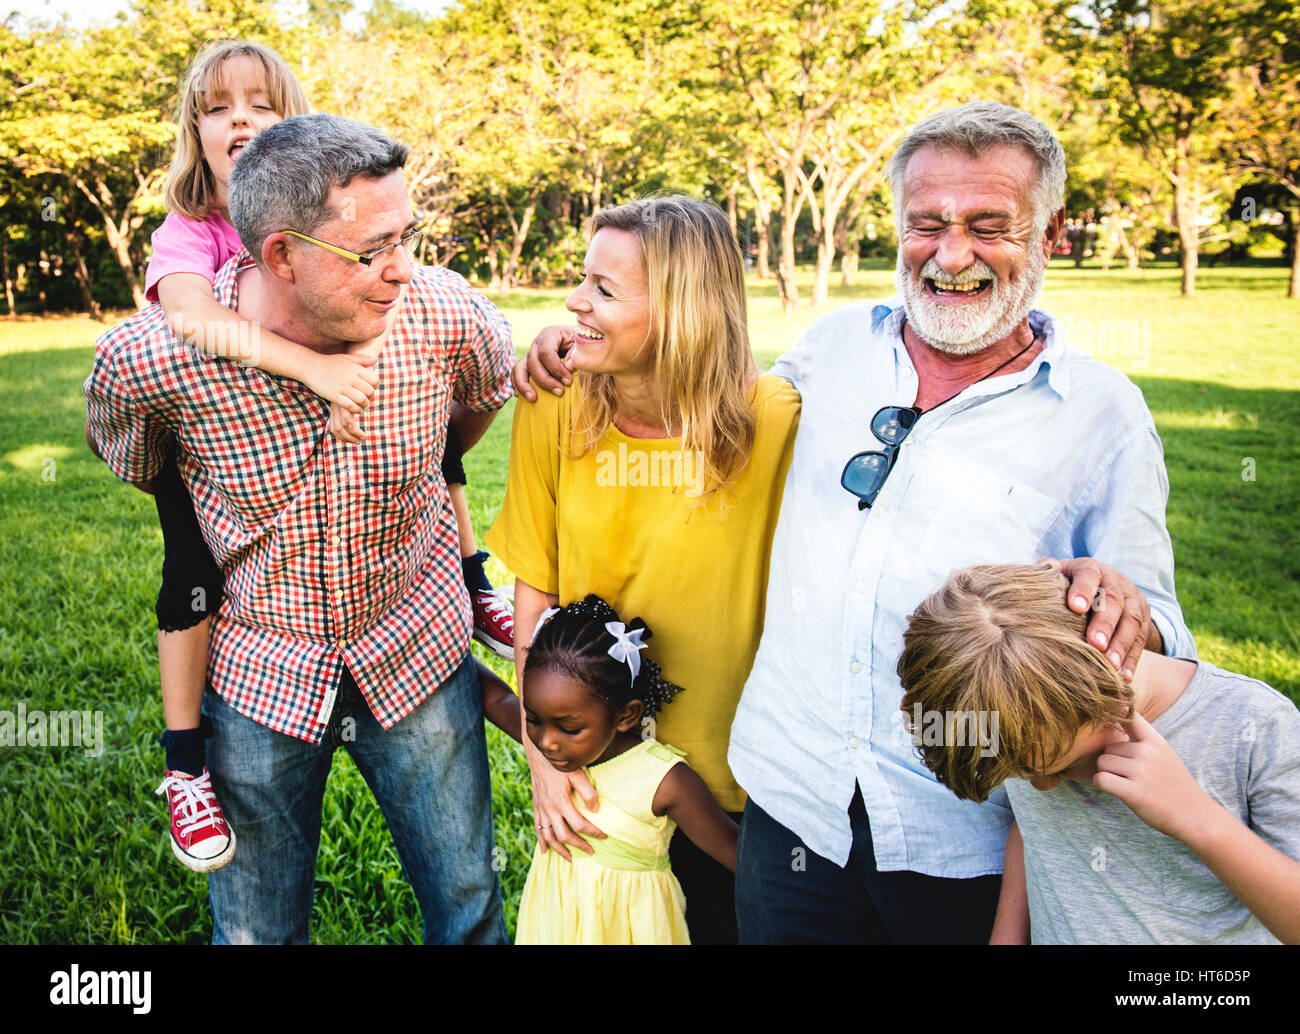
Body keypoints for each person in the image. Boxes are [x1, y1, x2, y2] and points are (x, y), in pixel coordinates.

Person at [722, 100, 1195, 944]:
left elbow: (1159, 623)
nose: (952, 254)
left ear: (1048, 236)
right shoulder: (831, 349)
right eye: (927, 223)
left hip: (964, 835)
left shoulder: (1101, 412)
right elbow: (704, 425)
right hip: (792, 797)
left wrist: (1127, 607)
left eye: (990, 226)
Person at [84, 113, 514, 943]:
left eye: (408, 236)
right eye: (372, 250)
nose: (402, 270)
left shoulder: (441, 313)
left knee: (469, 905)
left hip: (417, 644)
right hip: (259, 671)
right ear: (280, 254)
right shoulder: (154, 364)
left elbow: (489, 383)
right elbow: (139, 463)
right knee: (255, 933)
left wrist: (425, 454)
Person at [487, 195, 800, 943]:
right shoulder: (553, 405)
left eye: (604, 288)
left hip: (734, 781)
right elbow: (536, 585)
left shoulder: (774, 420)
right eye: (582, 280)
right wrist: (544, 755)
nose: (574, 302)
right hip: (602, 770)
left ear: (683, 310)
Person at [898, 563, 1300, 945]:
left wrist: (1197, 818)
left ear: (1105, 691)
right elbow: (1034, 830)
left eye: (1066, 767)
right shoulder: (1027, 729)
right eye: (1024, 776)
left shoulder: (1255, 726)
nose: (1045, 786)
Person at [482, 595, 739, 944]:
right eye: (534, 720)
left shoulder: (664, 781)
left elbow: (734, 852)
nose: (547, 743)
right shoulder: (551, 746)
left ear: (626, 716)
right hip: (556, 927)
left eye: (569, 729)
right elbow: (497, 699)